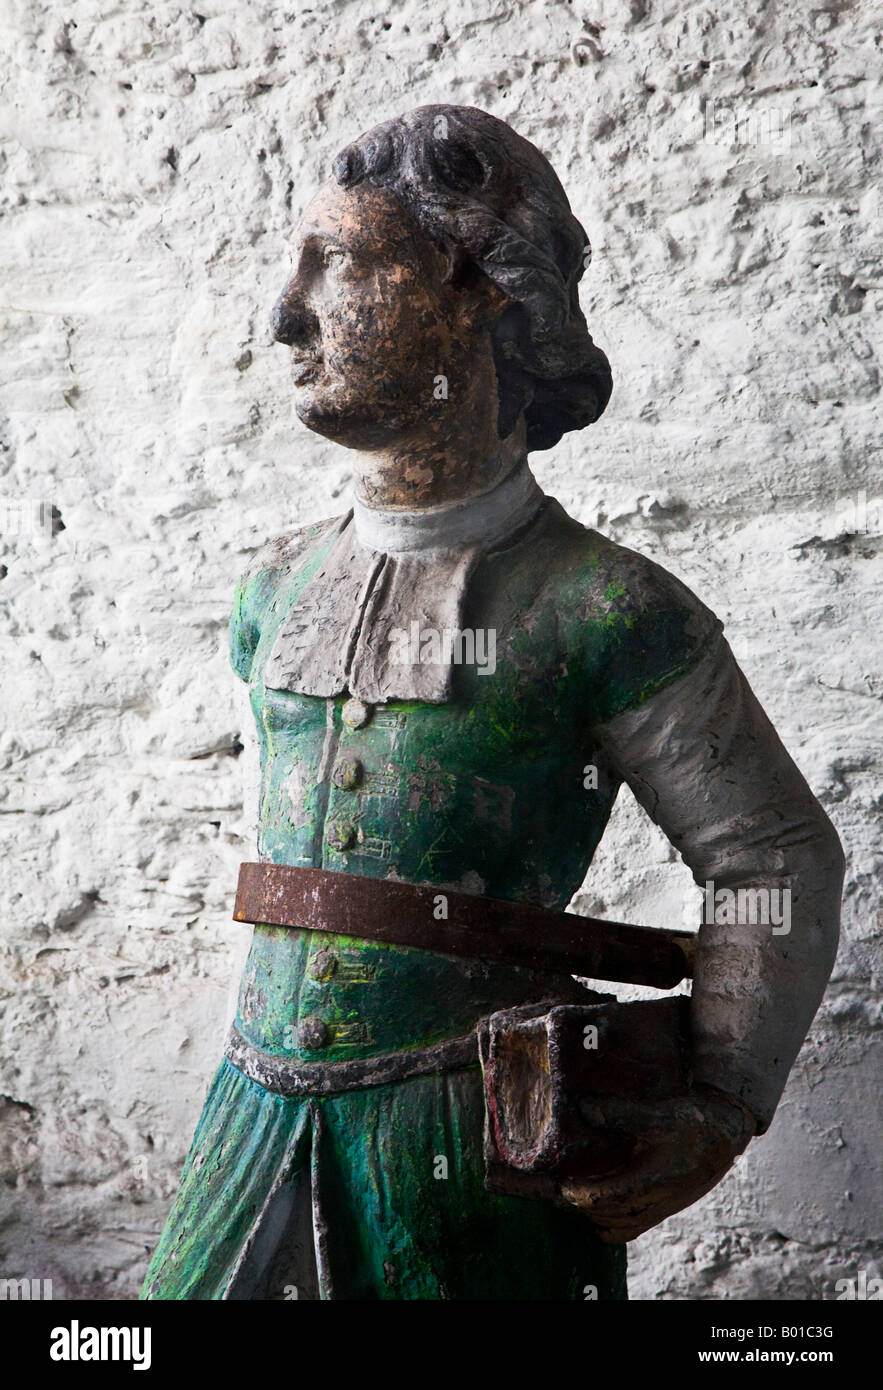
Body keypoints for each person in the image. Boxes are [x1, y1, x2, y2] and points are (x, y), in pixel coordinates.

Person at [141, 105, 843, 1301]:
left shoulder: (608, 607)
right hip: (245, 1128)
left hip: (470, 1157)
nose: (284, 314)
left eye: (341, 263)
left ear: (474, 290)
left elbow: (772, 855)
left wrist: (720, 1103)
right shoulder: (273, 593)